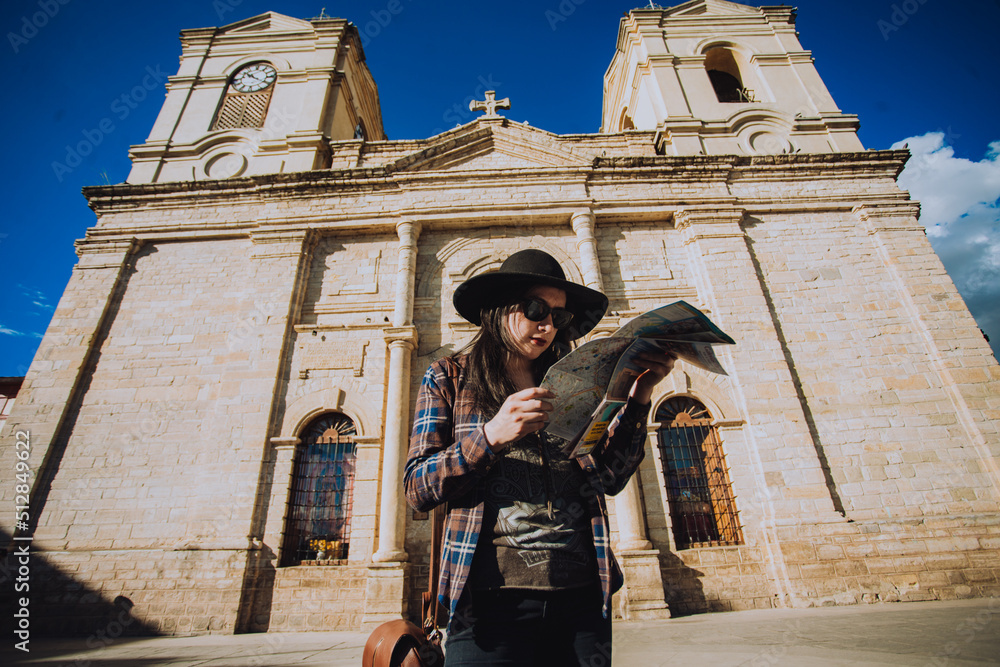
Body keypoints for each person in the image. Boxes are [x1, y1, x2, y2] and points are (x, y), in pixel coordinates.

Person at [404, 249, 675, 666]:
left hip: (583, 599)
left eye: (559, 317)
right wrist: (492, 435)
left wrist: (639, 397)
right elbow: (418, 487)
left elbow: (608, 477)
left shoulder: (577, 382)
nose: (547, 325)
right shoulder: (448, 377)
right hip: (489, 606)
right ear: (499, 309)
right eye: (535, 309)